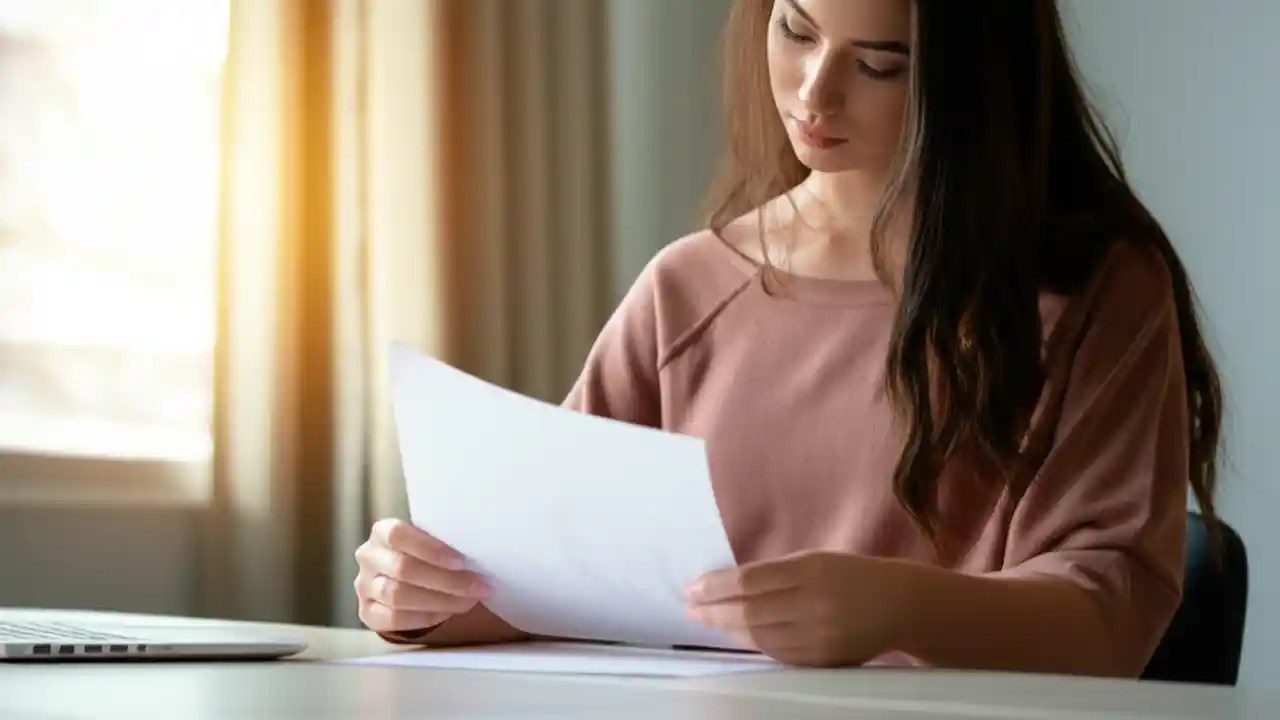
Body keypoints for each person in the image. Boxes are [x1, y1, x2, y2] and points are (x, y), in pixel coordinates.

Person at [352, 0, 1223, 677]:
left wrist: (897, 609)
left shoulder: (1094, 291)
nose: (815, 94)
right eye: (796, 31)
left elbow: (1109, 614)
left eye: (880, 64)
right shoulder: (689, 287)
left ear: (969, 82)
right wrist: (428, 596)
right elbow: (558, 581)